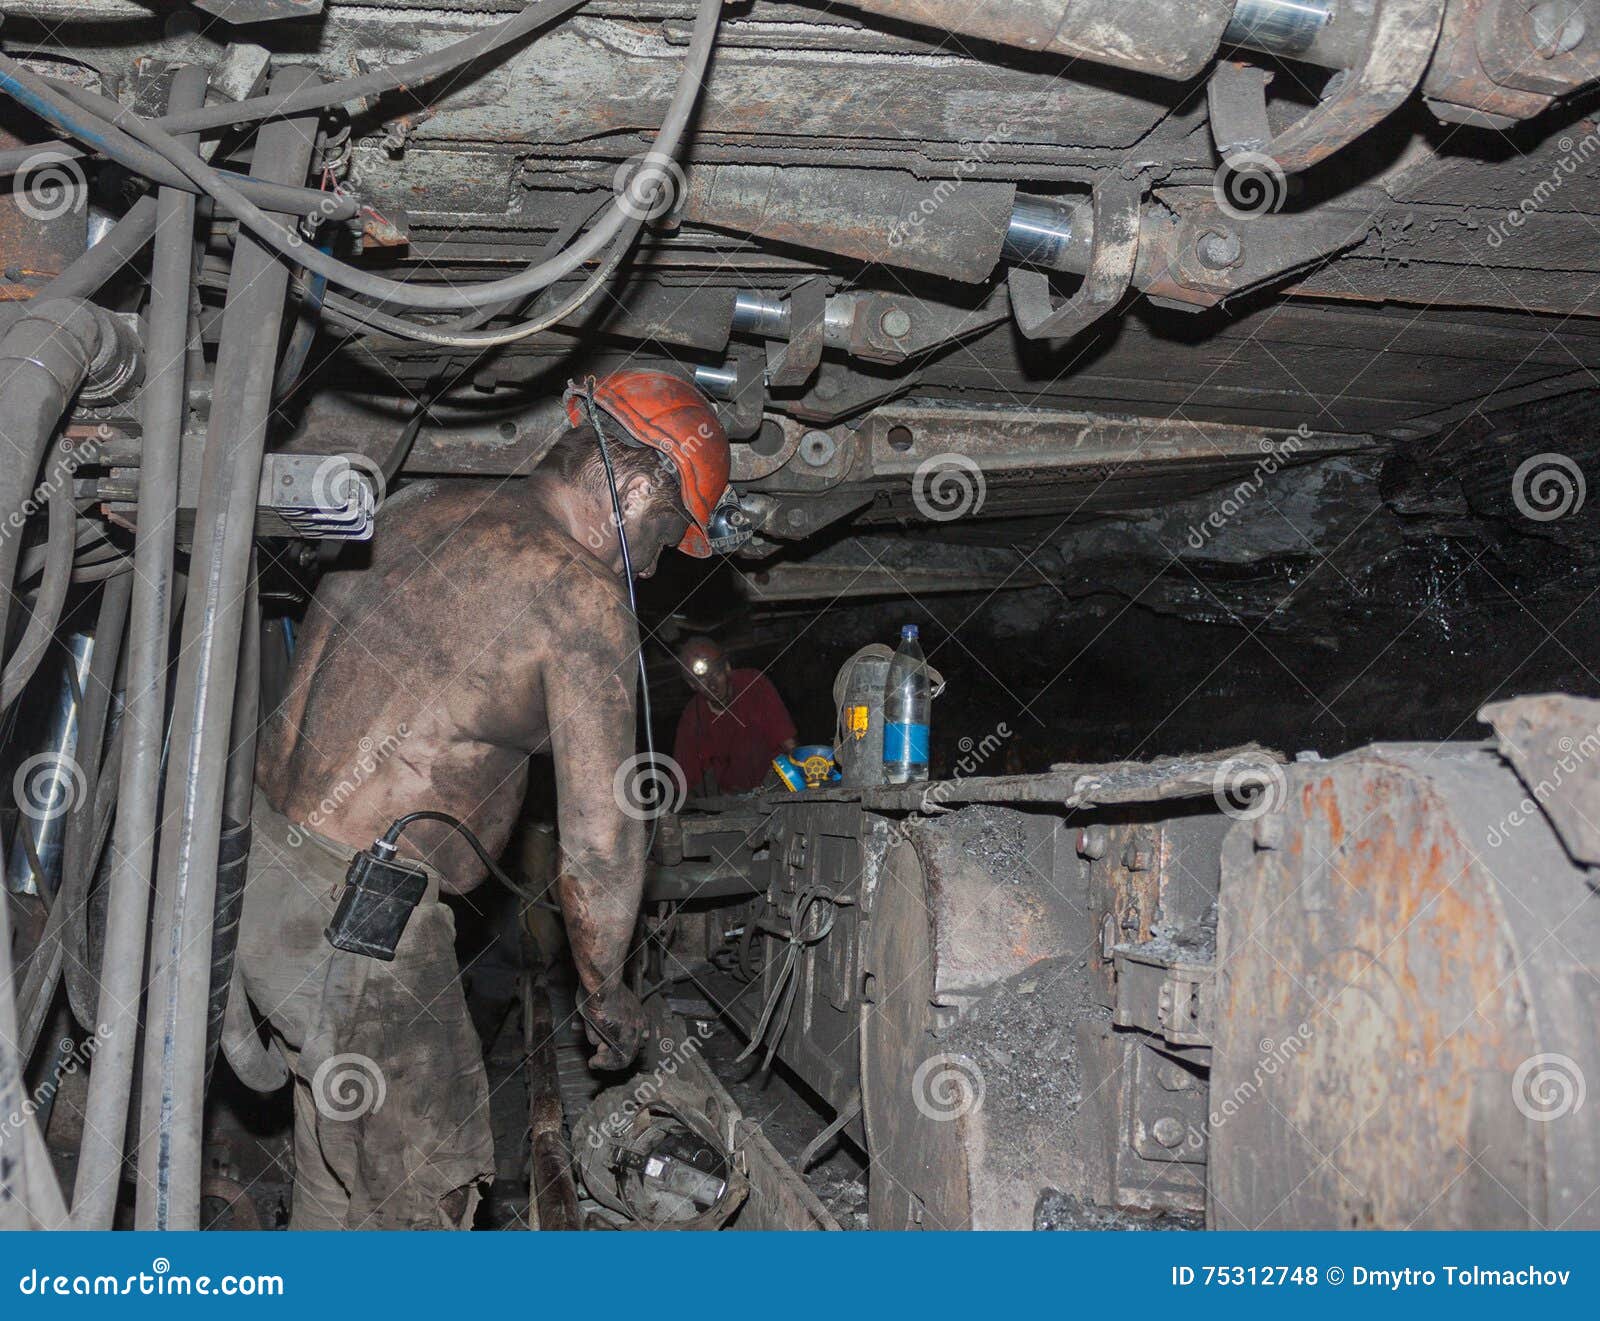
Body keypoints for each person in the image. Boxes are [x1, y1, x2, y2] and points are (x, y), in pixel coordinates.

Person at [239, 370, 747, 1229]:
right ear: (630, 485)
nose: (658, 564)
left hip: (262, 878)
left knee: (335, 1175)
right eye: (666, 529)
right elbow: (599, 843)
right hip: (367, 932)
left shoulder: (421, 503)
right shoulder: (579, 597)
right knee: (423, 1200)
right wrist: (604, 988)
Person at [671, 637, 796, 794]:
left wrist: (798, 780)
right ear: (692, 685)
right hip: (735, 799)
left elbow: (788, 743)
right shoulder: (692, 718)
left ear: (727, 668)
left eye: (716, 674)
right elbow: (683, 779)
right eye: (701, 679)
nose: (712, 685)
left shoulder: (753, 684)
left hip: (777, 783)